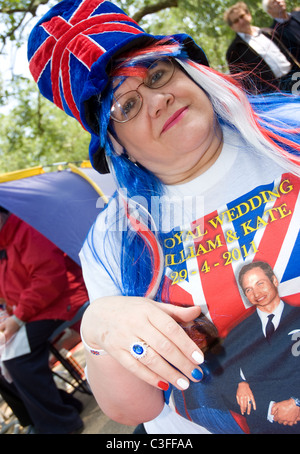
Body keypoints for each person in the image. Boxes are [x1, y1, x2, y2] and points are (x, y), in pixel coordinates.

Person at [27, 0, 300, 434]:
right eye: (127, 107)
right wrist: (100, 326)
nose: (157, 100)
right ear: (114, 144)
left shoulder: (293, 132)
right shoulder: (112, 241)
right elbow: (136, 410)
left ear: (187, 69)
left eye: (156, 73)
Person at [0, 207, 88, 433]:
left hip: (64, 300)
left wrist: (18, 318)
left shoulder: (26, 228)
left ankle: (60, 425)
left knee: (18, 360)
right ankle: (47, 413)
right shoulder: (5, 240)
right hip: (36, 309)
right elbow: (11, 289)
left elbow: (48, 277)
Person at [213, 262, 300, 433]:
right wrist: (268, 408)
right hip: (263, 425)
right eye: (249, 289)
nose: (256, 293)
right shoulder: (237, 334)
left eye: (260, 283)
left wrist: (297, 403)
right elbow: (223, 385)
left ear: (274, 281)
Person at [224, 1, 300, 94]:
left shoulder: (268, 32)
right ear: (232, 27)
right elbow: (242, 82)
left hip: (294, 76)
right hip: (274, 92)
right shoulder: (234, 50)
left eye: (242, 16)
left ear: (249, 15)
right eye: (236, 21)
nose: (241, 21)